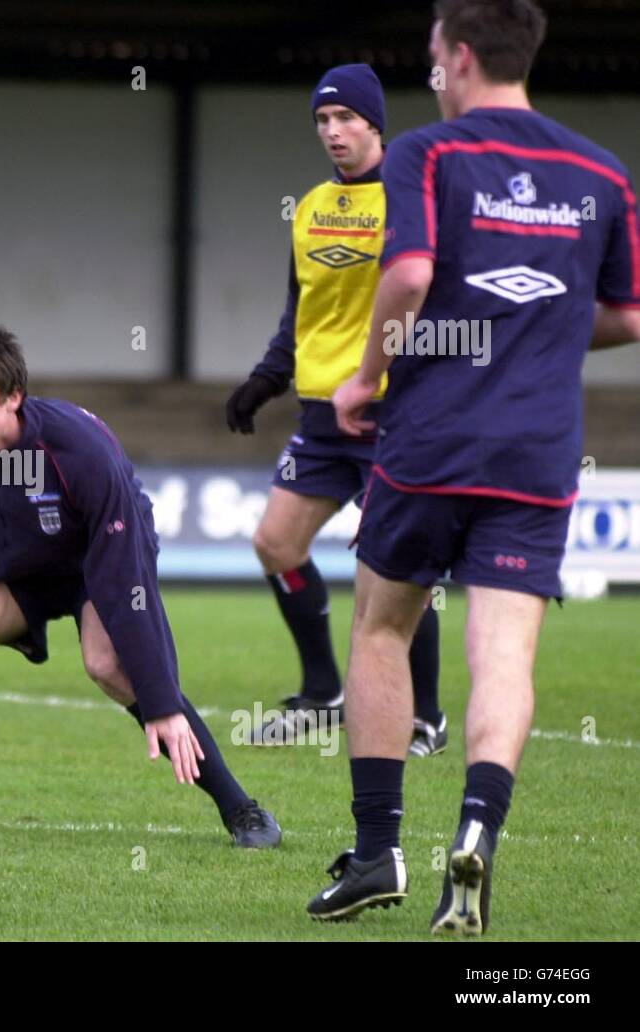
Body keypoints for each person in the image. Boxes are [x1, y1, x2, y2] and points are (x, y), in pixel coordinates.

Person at [306, 0, 640, 934]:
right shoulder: (599, 171)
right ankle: (478, 835)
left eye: (430, 59)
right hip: (537, 450)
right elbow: (627, 314)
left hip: (431, 441)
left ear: (458, 56)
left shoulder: (431, 154)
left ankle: (378, 853)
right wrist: (542, 330)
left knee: (380, 629)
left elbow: (408, 277)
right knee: (505, 652)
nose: (429, 76)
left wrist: (366, 374)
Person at [0, 323, 282, 848]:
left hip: (99, 567)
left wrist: (160, 700)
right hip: (18, 575)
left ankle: (242, 810)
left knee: (109, 664)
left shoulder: (80, 452)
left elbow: (127, 584)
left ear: (14, 397)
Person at [226, 66, 446, 756]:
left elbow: (429, 296)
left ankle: (426, 718)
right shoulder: (311, 206)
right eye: (322, 121)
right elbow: (302, 310)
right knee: (275, 544)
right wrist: (267, 377)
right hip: (321, 417)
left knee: (395, 567)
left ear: (375, 124)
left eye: (346, 119)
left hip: (390, 412)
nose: (332, 132)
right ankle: (323, 693)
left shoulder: (411, 199)